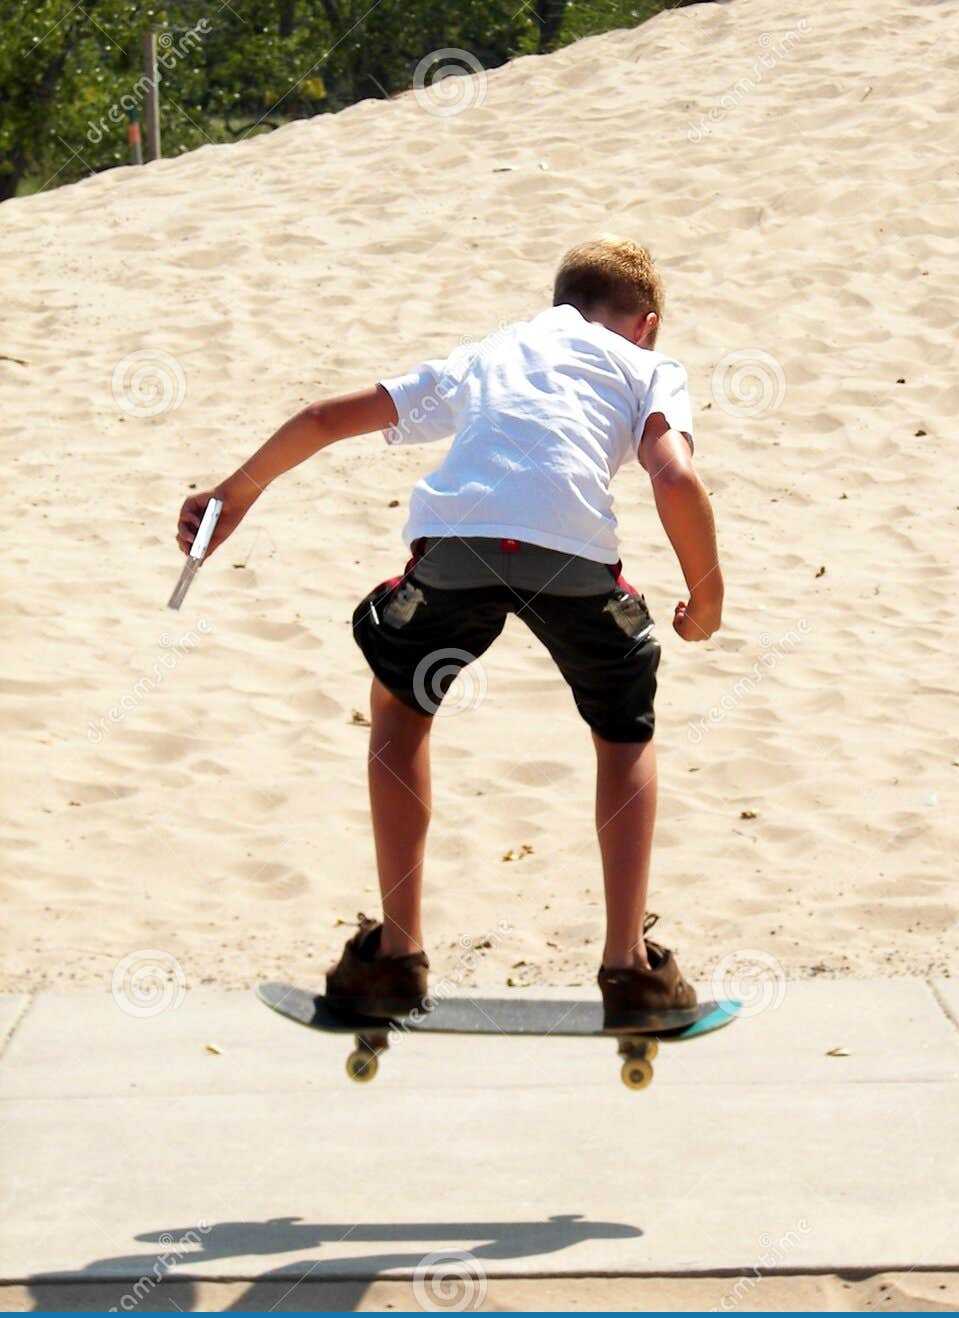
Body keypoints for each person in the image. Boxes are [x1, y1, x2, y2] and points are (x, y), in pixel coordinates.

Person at [177, 237, 723, 1029]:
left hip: (457, 545)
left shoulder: (494, 351)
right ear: (647, 324)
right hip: (575, 561)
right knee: (623, 728)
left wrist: (229, 499)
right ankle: (628, 971)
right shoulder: (644, 366)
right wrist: (706, 597)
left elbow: (327, 418)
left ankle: (396, 957)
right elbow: (674, 476)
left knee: (401, 708)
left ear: (558, 302)